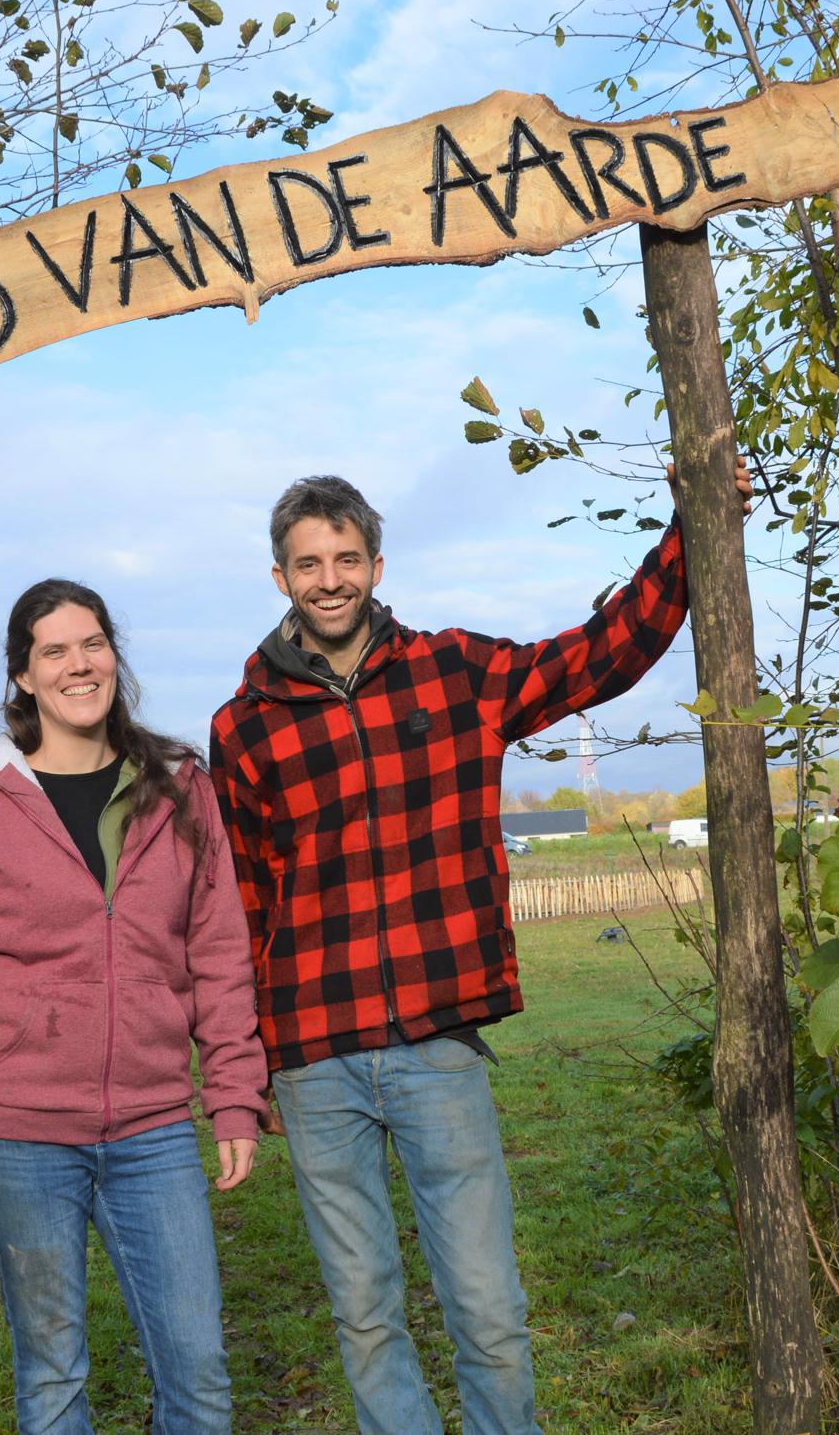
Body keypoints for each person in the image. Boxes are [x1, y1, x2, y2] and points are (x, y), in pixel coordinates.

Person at [208, 467, 741, 1435]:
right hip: (313, 1058)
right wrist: (244, 1068)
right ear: (277, 575)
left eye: (344, 558)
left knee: (489, 1313)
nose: (327, 579)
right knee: (366, 1317)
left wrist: (688, 527)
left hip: (435, 1040)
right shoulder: (241, 728)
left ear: (375, 561)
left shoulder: (453, 672)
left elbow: (599, 657)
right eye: (305, 563)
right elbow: (244, 902)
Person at [0, 578, 268, 1435]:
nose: (81, 664)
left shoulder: (181, 790)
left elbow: (218, 956)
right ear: (24, 675)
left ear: (116, 654)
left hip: (153, 1126)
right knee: (53, 1376)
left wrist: (233, 1094)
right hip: (19, 1133)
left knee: (200, 1376)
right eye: (56, 650)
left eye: (94, 643)